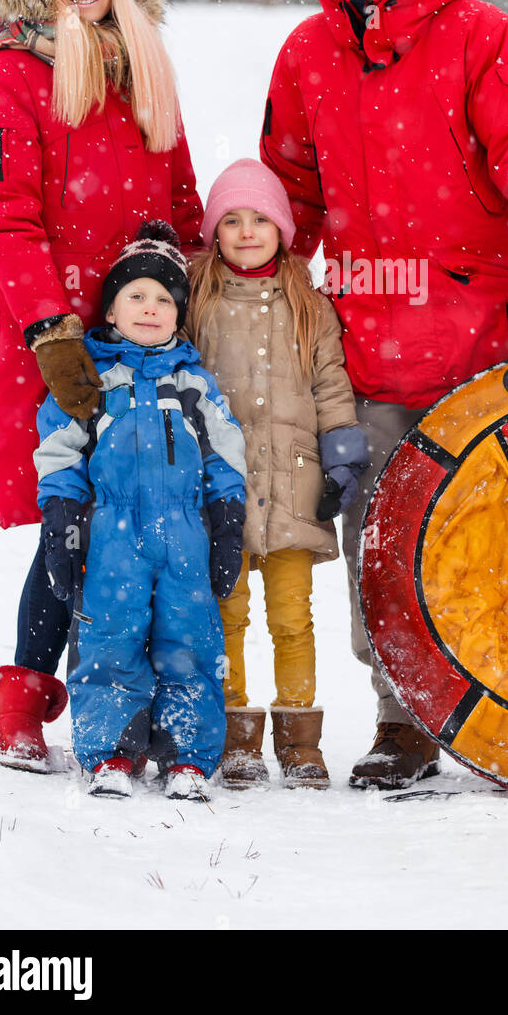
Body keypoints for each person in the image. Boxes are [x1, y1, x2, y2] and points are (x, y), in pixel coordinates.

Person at [260, 0, 508, 789]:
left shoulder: (482, 36)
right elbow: (288, 194)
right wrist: (261, 300)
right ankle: (402, 718)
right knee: (381, 536)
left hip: (479, 345)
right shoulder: (306, 54)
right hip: (365, 347)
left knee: (496, 533)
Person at [0, 0, 204, 771]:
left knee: (139, 529)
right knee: (67, 524)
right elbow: (6, 217)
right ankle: (20, 697)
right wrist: (50, 329)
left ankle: (122, 711)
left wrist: (202, 290)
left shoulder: (145, 66)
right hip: (53, 334)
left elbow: (181, 203)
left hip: (145, 333)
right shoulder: (9, 73)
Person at [34, 221, 246, 800]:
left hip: (185, 535)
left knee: (191, 644)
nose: (150, 308)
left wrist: (227, 524)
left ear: (179, 314)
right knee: (109, 641)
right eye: (136, 296)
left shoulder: (196, 385)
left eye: (163, 300)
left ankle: (187, 756)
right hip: (111, 535)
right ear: (111, 309)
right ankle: (111, 754)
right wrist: (62, 518)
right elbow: (58, 450)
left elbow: (226, 456)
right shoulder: (91, 383)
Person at [187, 159, 368, 788]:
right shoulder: (199, 299)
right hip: (221, 491)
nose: (245, 231)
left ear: (283, 229)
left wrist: (341, 456)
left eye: (259, 218)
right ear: (213, 231)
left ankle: (300, 741)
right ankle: (236, 737)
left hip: (295, 489)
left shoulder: (309, 304)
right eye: (231, 220)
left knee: (292, 617)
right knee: (226, 614)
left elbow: (331, 385)